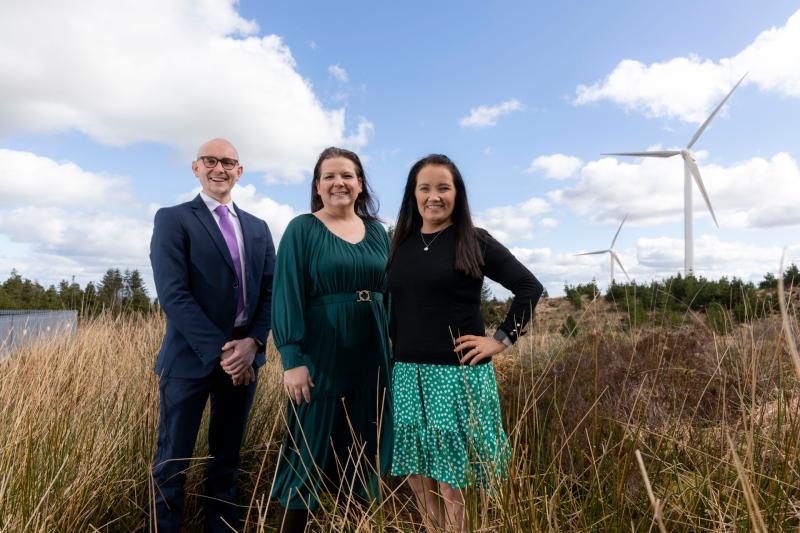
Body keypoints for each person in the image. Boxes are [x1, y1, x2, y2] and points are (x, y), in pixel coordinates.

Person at [387, 154, 543, 532]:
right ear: (413, 194)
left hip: (456, 378)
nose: (434, 196)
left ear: (458, 194)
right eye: (425, 188)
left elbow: (529, 288)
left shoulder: (474, 240)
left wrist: (500, 340)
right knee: (417, 475)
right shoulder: (401, 242)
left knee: (451, 481)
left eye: (444, 187)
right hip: (408, 374)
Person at [149, 138, 276, 532]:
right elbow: (173, 294)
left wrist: (252, 343)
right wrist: (223, 350)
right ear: (195, 167)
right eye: (210, 161)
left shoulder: (258, 228)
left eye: (228, 162)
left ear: (240, 171)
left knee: (227, 461)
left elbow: (269, 293)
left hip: (244, 359)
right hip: (191, 358)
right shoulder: (173, 219)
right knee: (173, 462)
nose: (219, 168)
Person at [270, 147, 393, 532]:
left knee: (363, 451)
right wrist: (292, 357)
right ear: (318, 186)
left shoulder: (377, 231)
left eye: (347, 175)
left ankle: (354, 523)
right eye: (329, 176)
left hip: (372, 350)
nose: (339, 182)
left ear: (360, 184)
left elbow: (392, 292)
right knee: (308, 447)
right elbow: (286, 293)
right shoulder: (302, 229)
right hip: (320, 350)